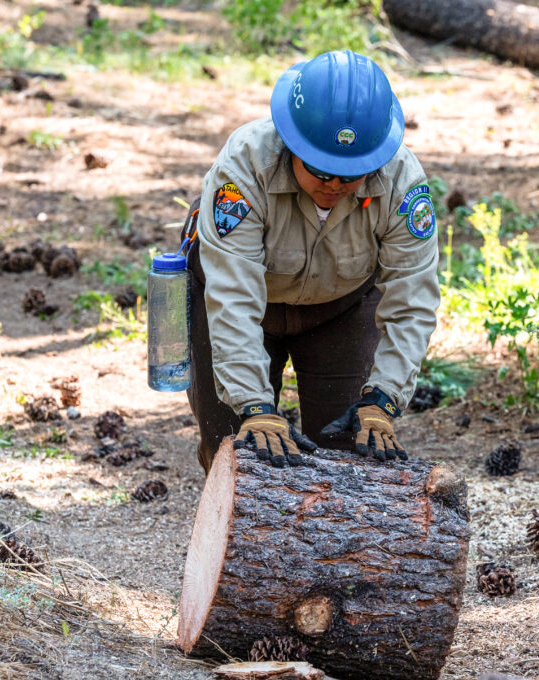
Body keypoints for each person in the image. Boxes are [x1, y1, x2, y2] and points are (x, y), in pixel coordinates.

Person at [179, 50, 439, 472]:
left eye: (350, 175)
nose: (334, 185)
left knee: (349, 448)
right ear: (291, 144)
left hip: (341, 308)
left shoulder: (401, 182)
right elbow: (233, 296)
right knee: (235, 446)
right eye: (320, 170)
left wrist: (385, 397)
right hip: (236, 301)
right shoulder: (245, 167)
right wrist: (254, 404)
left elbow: (413, 298)